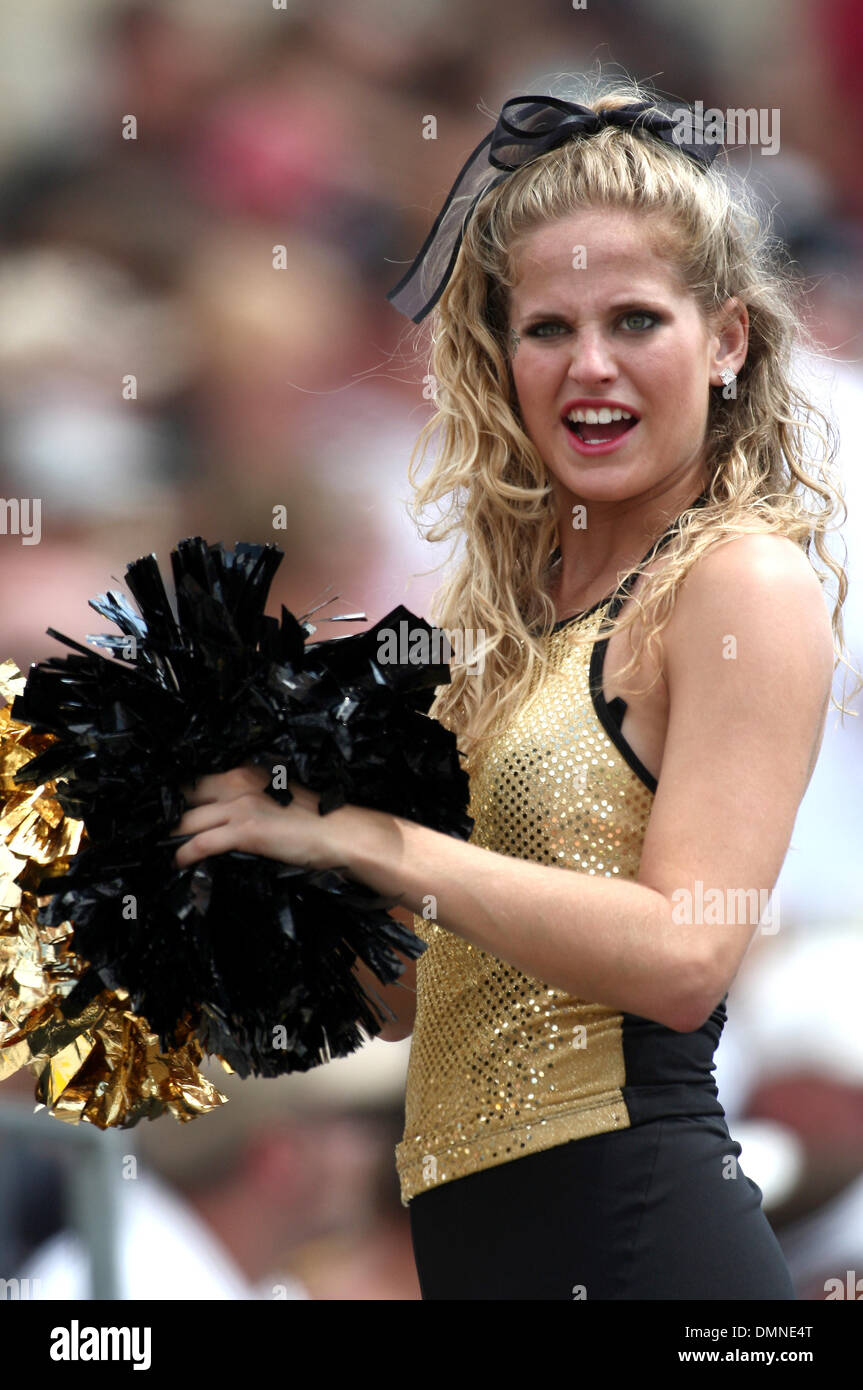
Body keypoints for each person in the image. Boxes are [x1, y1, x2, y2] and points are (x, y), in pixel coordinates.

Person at [168, 75, 857, 1300]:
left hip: (643, 1235)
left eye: (635, 320)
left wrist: (380, 840)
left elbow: (687, 954)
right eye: (546, 328)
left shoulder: (740, 583)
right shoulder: (496, 621)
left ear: (729, 340)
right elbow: (416, 999)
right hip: (477, 1248)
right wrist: (251, 856)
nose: (587, 366)